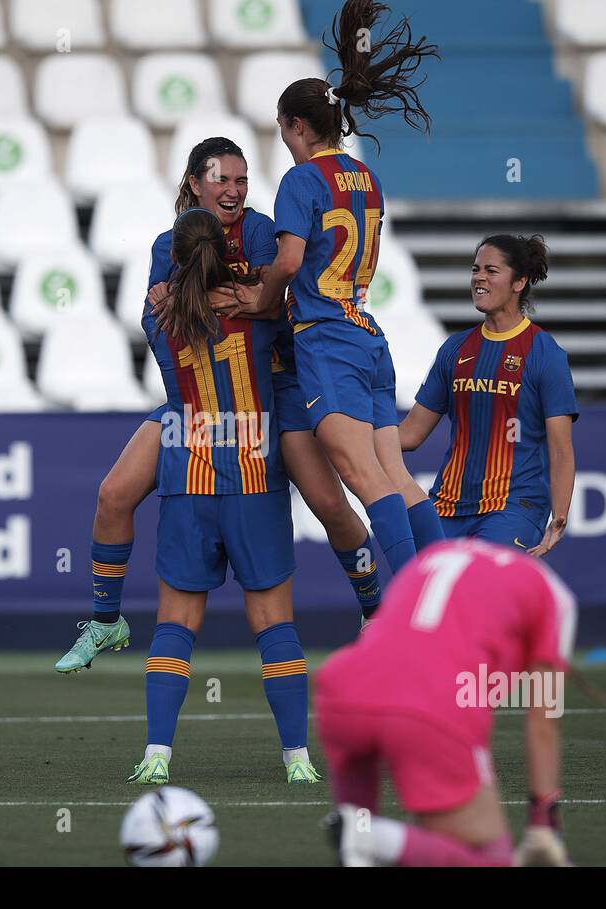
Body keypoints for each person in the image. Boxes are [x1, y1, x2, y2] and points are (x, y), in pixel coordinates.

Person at [54, 138, 382, 675]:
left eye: (241, 180)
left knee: (328, 503)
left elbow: (275, 302)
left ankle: (375, 609)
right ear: (193, 183)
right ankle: (105, 620)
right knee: (114, 493)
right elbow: (161, 316)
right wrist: (235, 296)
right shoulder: (168, 243)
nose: (233, 190)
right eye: (222, 180)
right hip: (202, 396)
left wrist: (224, 299)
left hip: (273, 391)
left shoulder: (259, 230)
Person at [223, 0, 444, 579]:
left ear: (297, 126)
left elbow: (291, 260)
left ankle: (409, 604)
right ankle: (446, 586)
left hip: (326, 338)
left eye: (283, 131)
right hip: (369, 334)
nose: (285, 142)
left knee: (366, 481)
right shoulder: (365, 177)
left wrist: (260, 295)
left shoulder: (301, 179)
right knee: (397, 476)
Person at [127, 207, 321, 786]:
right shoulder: (261, 317)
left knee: (175, 625)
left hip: (188, 475)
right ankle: (298, 761)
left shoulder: (158, 319)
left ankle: (158, 755)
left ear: (176, 261)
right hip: (255, 475)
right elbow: (287, 318)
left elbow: (160, 299)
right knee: (273, 623)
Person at [315, 538, 577, 866]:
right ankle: (368, 835)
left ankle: (365, 835)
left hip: (344, 690)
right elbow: (544, 719)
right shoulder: (556, 599)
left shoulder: (439, 553)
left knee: (363, 839)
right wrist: (542, 821)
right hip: (428, 702)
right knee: (489, 859)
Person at [399, 235, 578, 556]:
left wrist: (559, 515)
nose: (479, 277)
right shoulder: (455, 349)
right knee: (435, 599)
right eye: (475, 269)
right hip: (446, 506)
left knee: (478, 588)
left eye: (492, 270)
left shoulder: (544, 353)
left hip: (513, 507)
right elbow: (410, 435)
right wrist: (350, 437)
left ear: (519, 282)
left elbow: (561, 449)